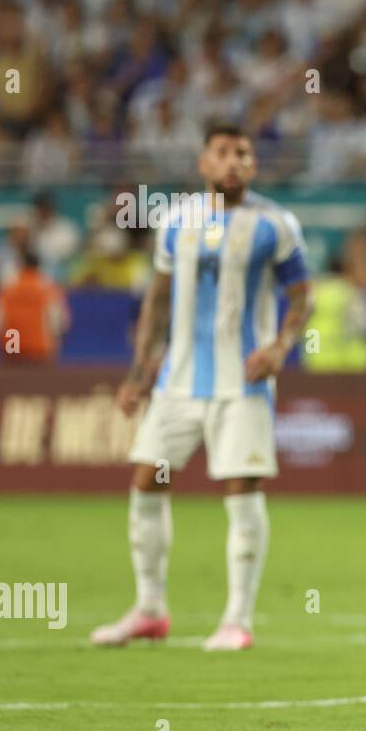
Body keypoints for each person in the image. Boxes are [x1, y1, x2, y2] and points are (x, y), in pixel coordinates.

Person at [90, 122, 313, 652]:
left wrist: (281, 347)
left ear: (253, 166)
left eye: (243, 153)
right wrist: (138, 376)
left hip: (243, 385)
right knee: (146, 483)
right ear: (203, 163)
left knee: (241, 489)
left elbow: (302, 295)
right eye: (223, 152)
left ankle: (237, 619)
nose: (233, 160)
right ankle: (149, 609)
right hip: (177, 385)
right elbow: (157, 303)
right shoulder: (175, 221)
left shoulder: (275, 224)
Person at [0, 248, 69, 363]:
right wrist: (57, 337)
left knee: (10, 379)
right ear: (38, 265)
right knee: (39, 380)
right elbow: (57, 317)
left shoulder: (8, 286)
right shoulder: (47, 287)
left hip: (12, 344)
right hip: (40, 345)